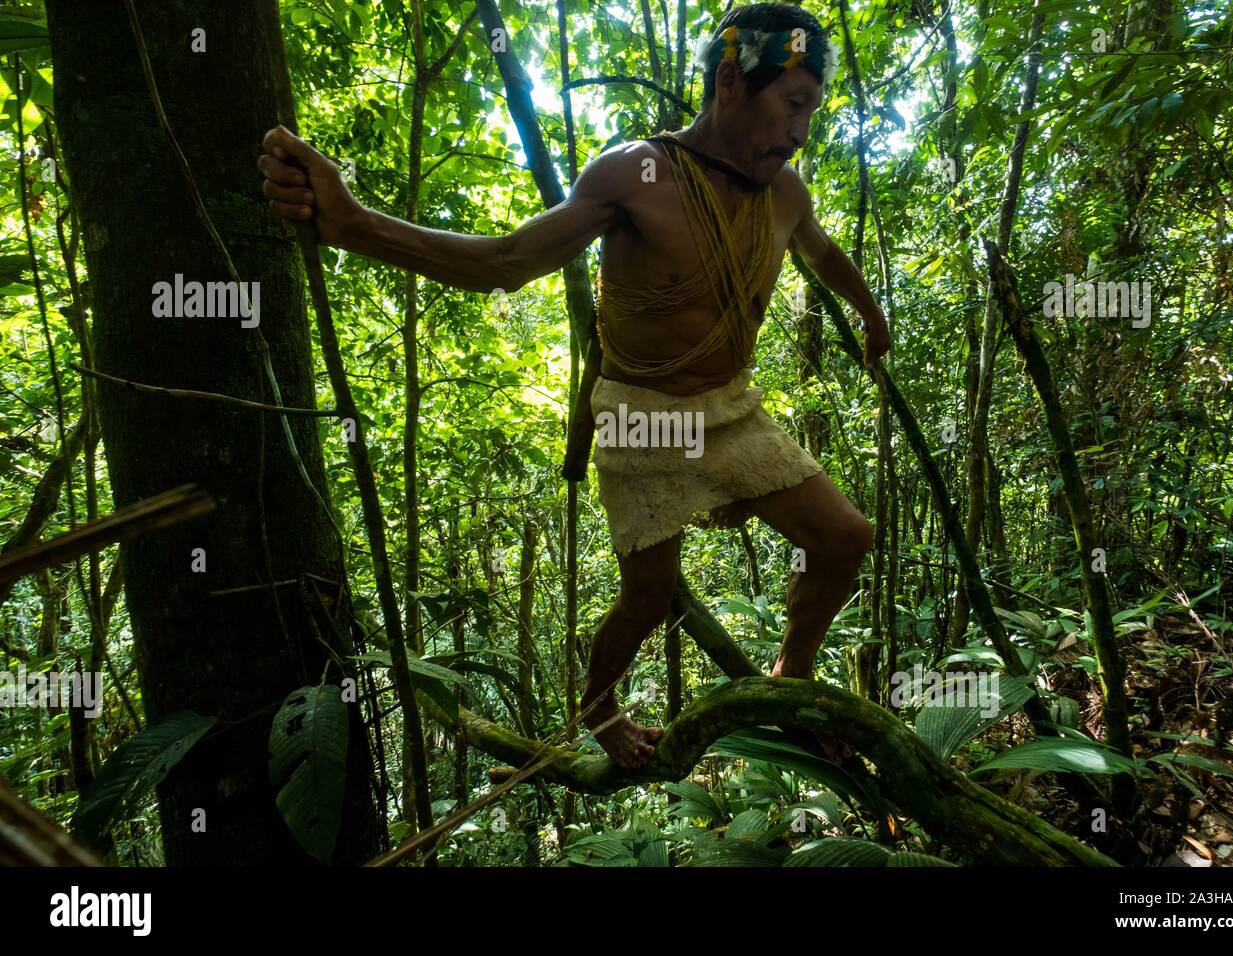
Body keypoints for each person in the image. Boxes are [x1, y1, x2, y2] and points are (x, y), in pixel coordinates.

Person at [259, 2, 891, 770]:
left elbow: (822, 256)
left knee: (845, 538)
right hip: (640, 414)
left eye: (811, 112)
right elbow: (504, 261)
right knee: (650, 597)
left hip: (729, 407)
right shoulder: (635, 175)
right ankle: (597, 707)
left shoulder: (785, 194)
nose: (799, 132)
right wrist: (354, 225)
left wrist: (870, 313)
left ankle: (793, 676)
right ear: (731, 83)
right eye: (793, 106)